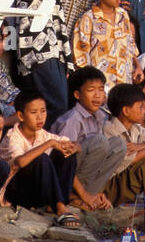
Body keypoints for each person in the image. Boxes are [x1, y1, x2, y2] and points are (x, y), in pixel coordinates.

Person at [0, 92, 84, 228]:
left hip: (35, 192)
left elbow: (74, 144)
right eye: (34, 112)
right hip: (16, 192)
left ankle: (56, 204)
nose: (40, 117)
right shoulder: (13, 136)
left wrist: (74, 148)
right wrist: (49, 144)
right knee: (41, 158)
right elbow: (20, 162)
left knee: (66, 153)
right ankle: (60, 206)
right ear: (21, 116)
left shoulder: (41, 133)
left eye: (43, 111)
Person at [50, 67, 128, 210]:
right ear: (77, 94)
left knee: (119, 145)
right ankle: (75, 196)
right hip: (62, 176)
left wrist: (96, 192)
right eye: (91, 90)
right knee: (100, 142)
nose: (97, 95)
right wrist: (84, 194)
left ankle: (94, 193)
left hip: (82, 175)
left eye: (101, 89)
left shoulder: (100, 116)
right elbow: (64, 161)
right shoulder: (72, 120)